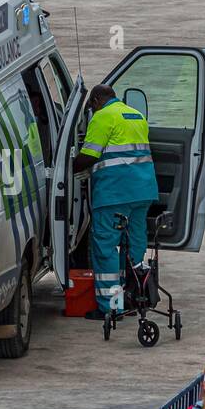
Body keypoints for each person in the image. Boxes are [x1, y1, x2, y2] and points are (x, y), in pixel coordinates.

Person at [74, 85, 157, 320]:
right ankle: (134, 299)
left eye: (92, 105)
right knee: (134, 248)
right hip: (143, 192)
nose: (92, 110)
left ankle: (110, 308)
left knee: (106, 249)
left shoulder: (103, 117)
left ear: (98, 100)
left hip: (114, 193)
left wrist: (65, 170)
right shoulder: (136, 115)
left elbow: (89, 155)